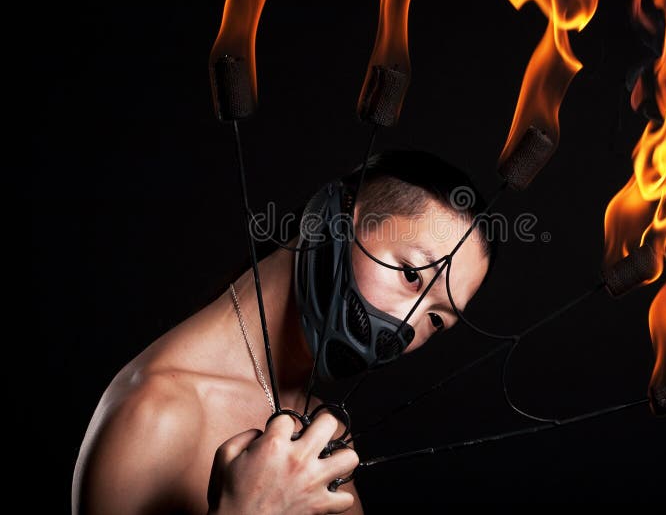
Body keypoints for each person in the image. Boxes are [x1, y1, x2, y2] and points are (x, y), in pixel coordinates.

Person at [72, 149, 496, 514]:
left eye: (437, 320)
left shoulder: (319, 428)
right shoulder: (154, 415)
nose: (405, 326)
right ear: (336, 219)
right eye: (409, 274)